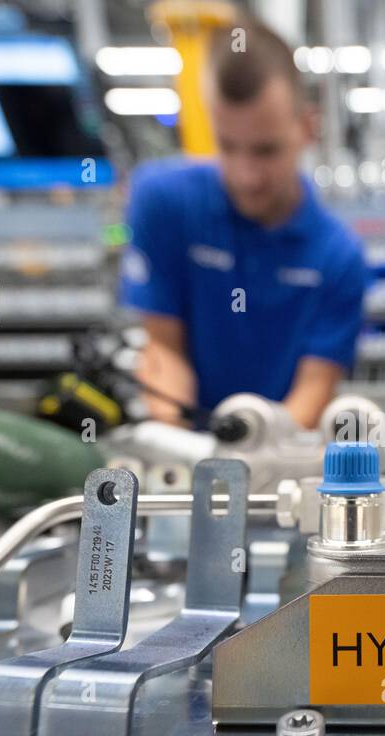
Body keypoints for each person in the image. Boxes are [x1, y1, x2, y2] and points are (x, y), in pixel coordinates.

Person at [120, 18, 367, 429]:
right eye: (228, 146)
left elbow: (312, 392)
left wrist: (254, 454)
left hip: (281, 454)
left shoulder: (339, 257)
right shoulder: (162, 202)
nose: (246, 176)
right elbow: (164, 350)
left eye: (266, 151)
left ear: (307, 127)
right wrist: (181, 450)